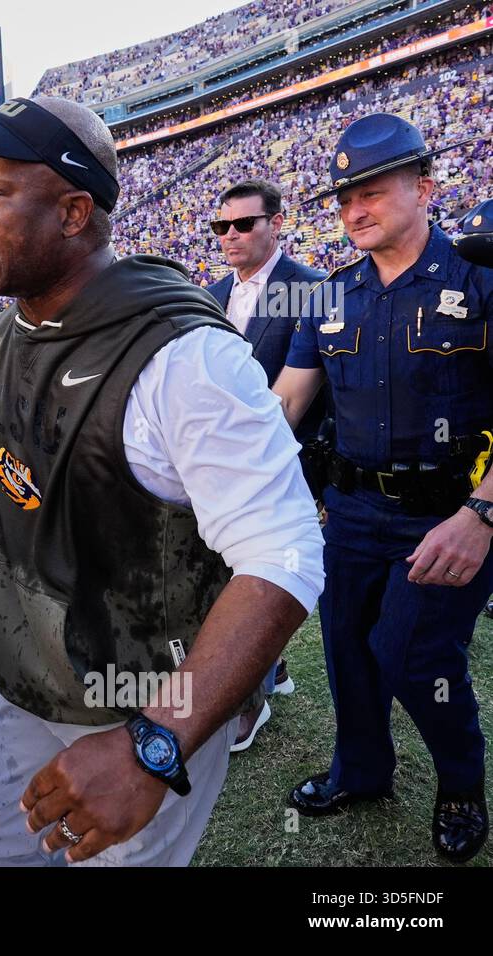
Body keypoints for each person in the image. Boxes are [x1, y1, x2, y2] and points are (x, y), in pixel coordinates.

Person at [0, 96, 323, 867]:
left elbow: (286, 554)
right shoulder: (6, 330)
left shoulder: (189, 358)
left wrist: (153, 747)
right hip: (30, 669)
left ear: (73, 214)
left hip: (146, 694)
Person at [273, 114, 491, 863]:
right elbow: (286, 407)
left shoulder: (481, 283)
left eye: (370, 191)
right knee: (346, 653)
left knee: (411, 654)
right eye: (342, 198)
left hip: (454, 514)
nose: (353, 210)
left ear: (425, 188)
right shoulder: (327, 297)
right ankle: (361, 773)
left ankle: (462, 783)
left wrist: (482, 514)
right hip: (352, 515)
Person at [205, 177, 327, 752]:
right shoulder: (208, 292)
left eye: (243, 224)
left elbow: (300, 396)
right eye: (221, 227)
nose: (230, 236)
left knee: (254, 581)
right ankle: (271, 671)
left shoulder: (311, 290)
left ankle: (248, 702)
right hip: (215, 462)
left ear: (275, 223)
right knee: (222, 574)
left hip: (276, 461)